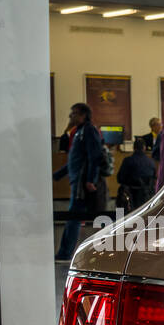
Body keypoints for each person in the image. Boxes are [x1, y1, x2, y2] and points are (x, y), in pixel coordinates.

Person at [52, 102, 105, 261]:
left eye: (74, 113)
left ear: (83, 115)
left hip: (83, 184)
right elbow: (75, 160)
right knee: (74, 217)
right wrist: (57, 175)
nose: (70, 116)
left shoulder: (88, 131)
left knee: (74, 218)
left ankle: (65, 253)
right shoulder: (79, 132)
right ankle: (64, 252)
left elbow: (94, 156)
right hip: (78, 181)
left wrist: (90, 180)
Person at [116, 137, 156, 210]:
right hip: (146, 197)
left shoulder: (128, 161)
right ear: (144, 148)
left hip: (131, 198)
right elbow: (153, 179)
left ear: (133, 148)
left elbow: (120, 179)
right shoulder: (151, 162)